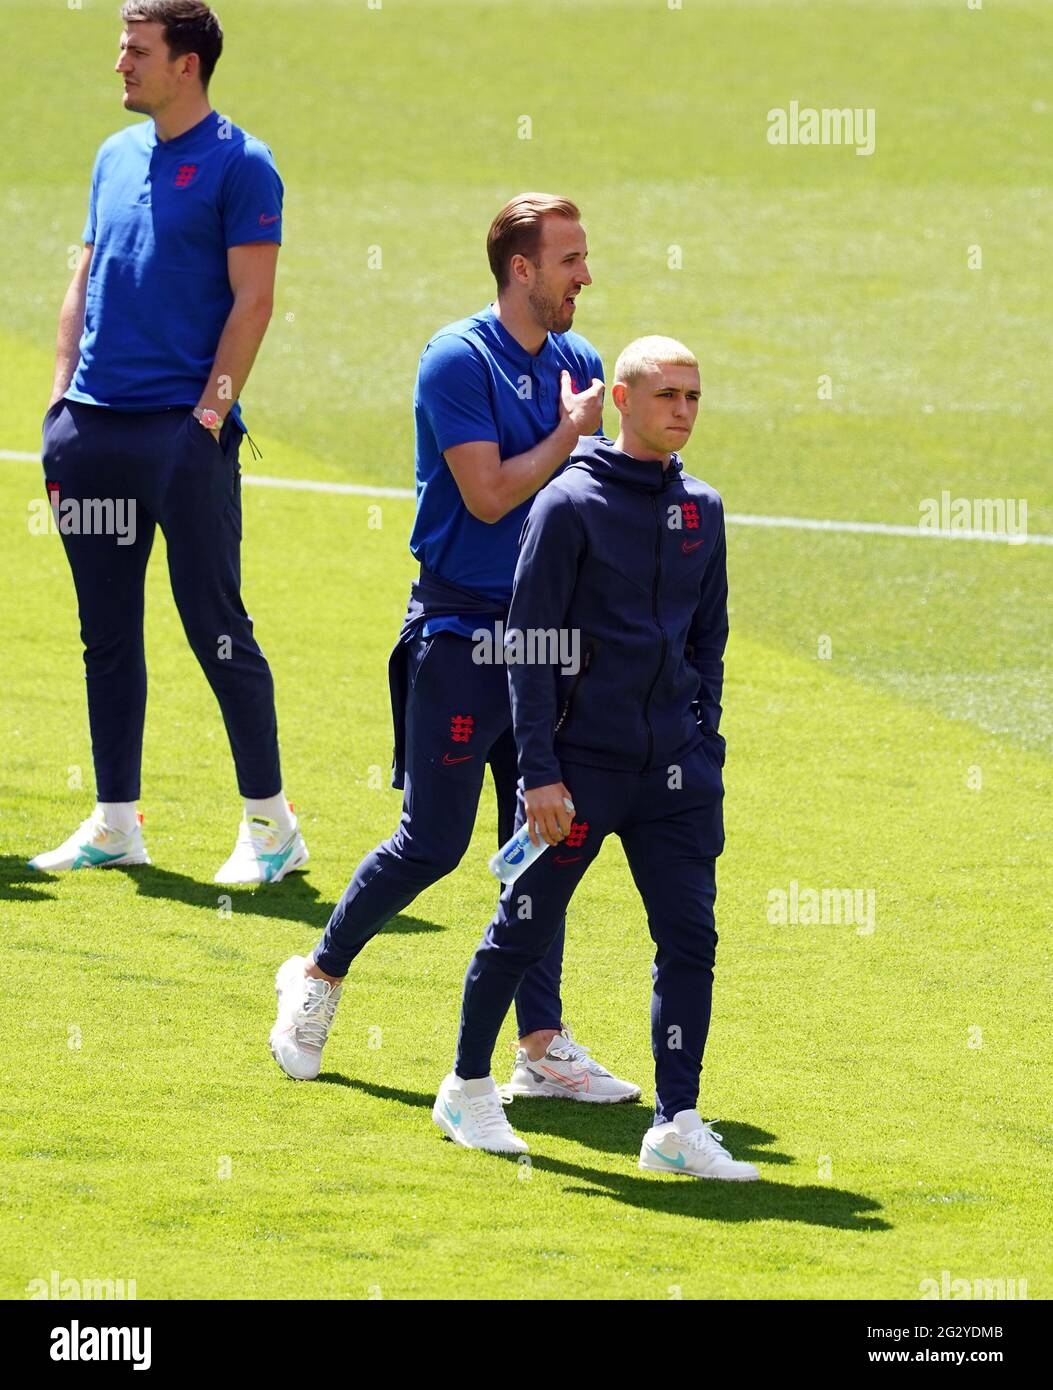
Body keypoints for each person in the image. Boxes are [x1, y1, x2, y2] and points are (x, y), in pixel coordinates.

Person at [269, 194, 640, 1104]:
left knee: (544, 838)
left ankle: (541, 1043)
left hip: (549, 643)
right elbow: (486, 496)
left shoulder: (578, 363)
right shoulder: (458, 360)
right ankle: (316, 976)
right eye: (570, 261)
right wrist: (570, 432)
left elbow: (585, 510)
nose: (585, 276)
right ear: (521, 269)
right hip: (460, 632)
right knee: (431, 843)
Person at [432, 336, 760, 1181]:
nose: (682, 410)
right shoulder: (567, 504)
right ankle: (467, 1087)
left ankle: (676, 1121)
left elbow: (708, 639)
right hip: (576, 776)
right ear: (620, 399)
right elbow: (529, 644)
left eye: (693, 395)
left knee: (690, 941)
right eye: (666, 396)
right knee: (521, 929)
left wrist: (707, 742)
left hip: (676, 777)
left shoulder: (704, 509)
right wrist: (538, 770)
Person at [31, 0, 306, 886]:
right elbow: (85, 276)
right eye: (121, 47)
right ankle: (116, 821)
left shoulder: (243, 163)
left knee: (215, 627)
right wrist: (59, 397)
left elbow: (253, 302)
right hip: (91, 429)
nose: (121, 64)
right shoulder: (113, 156)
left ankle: (271, 828)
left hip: (178, 438)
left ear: (186, 64)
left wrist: (209, 419)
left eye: (137, 50)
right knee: (104, 633)